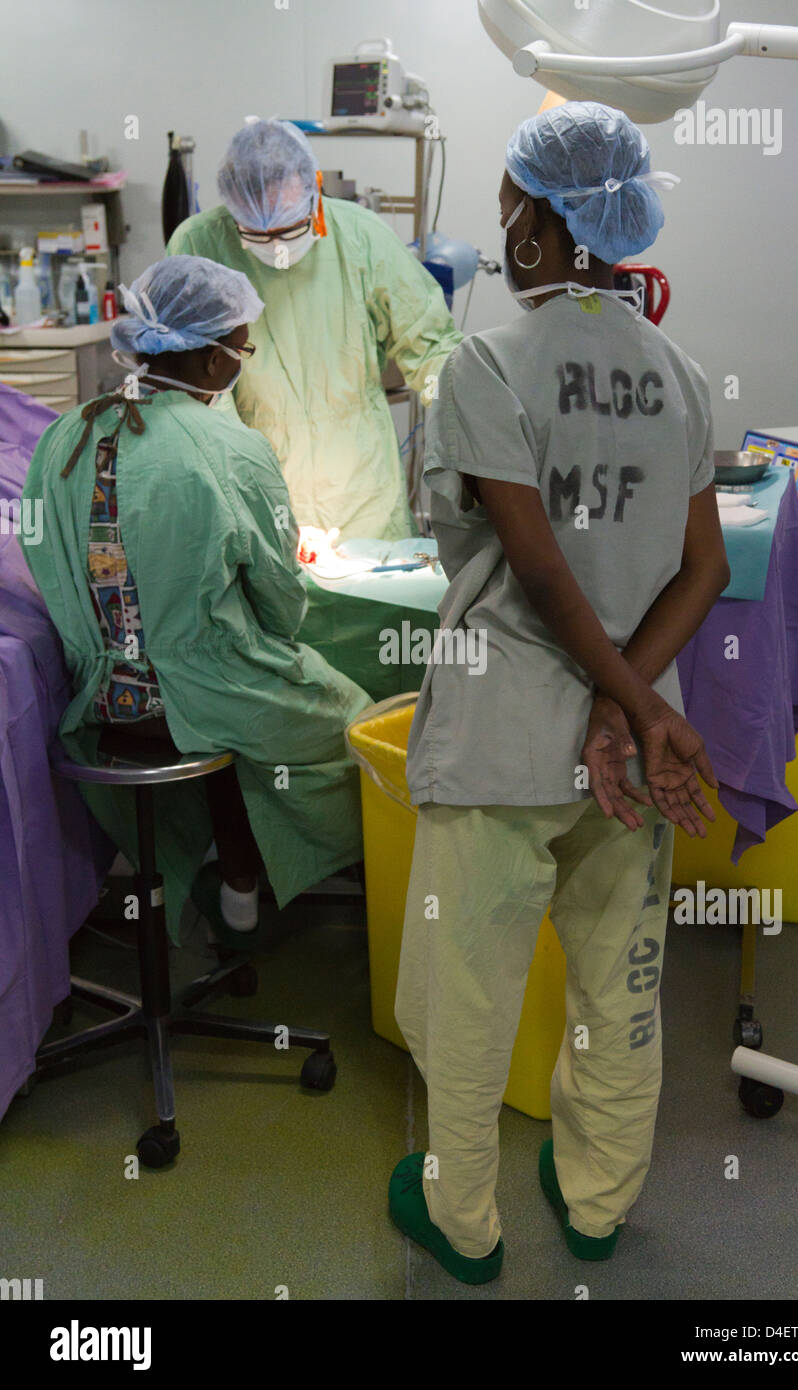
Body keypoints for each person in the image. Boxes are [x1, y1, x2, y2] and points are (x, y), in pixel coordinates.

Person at [388, 102, 731, 1283]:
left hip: (502, 735)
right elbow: (705, 567)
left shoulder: (484, 365)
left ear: (542, 220)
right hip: (640, 747)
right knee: (619, 980)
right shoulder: (679, 373)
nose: (495, 222)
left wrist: (608, 697)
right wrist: (636, 705)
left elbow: (526, 565)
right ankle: (595, 1203)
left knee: (470, 992)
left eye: (504, 204)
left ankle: (462, 1222)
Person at [22, 255, 371, 944]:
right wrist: (268, 635)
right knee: (357, 721)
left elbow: (50, 564)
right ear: (215, 363)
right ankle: (259, 883)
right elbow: (279, 601)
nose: (243, 359)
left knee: (226, 720)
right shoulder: (229, 449)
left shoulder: (66, 434)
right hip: (208, 697)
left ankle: (224, 874)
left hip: (97, 699)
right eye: (242, 347)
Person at [167, 119, 464, 541]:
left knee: (374, 601)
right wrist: (240, 467)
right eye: (256, 232)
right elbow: (189, 379)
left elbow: (430, 344)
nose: (276, 246)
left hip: (360, 488)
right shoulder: (199, 245)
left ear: (313, 191)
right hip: (251, 479)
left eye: (289, 228)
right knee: (270, 598)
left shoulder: (361, 236)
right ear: (232, 210)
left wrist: (469, 419)